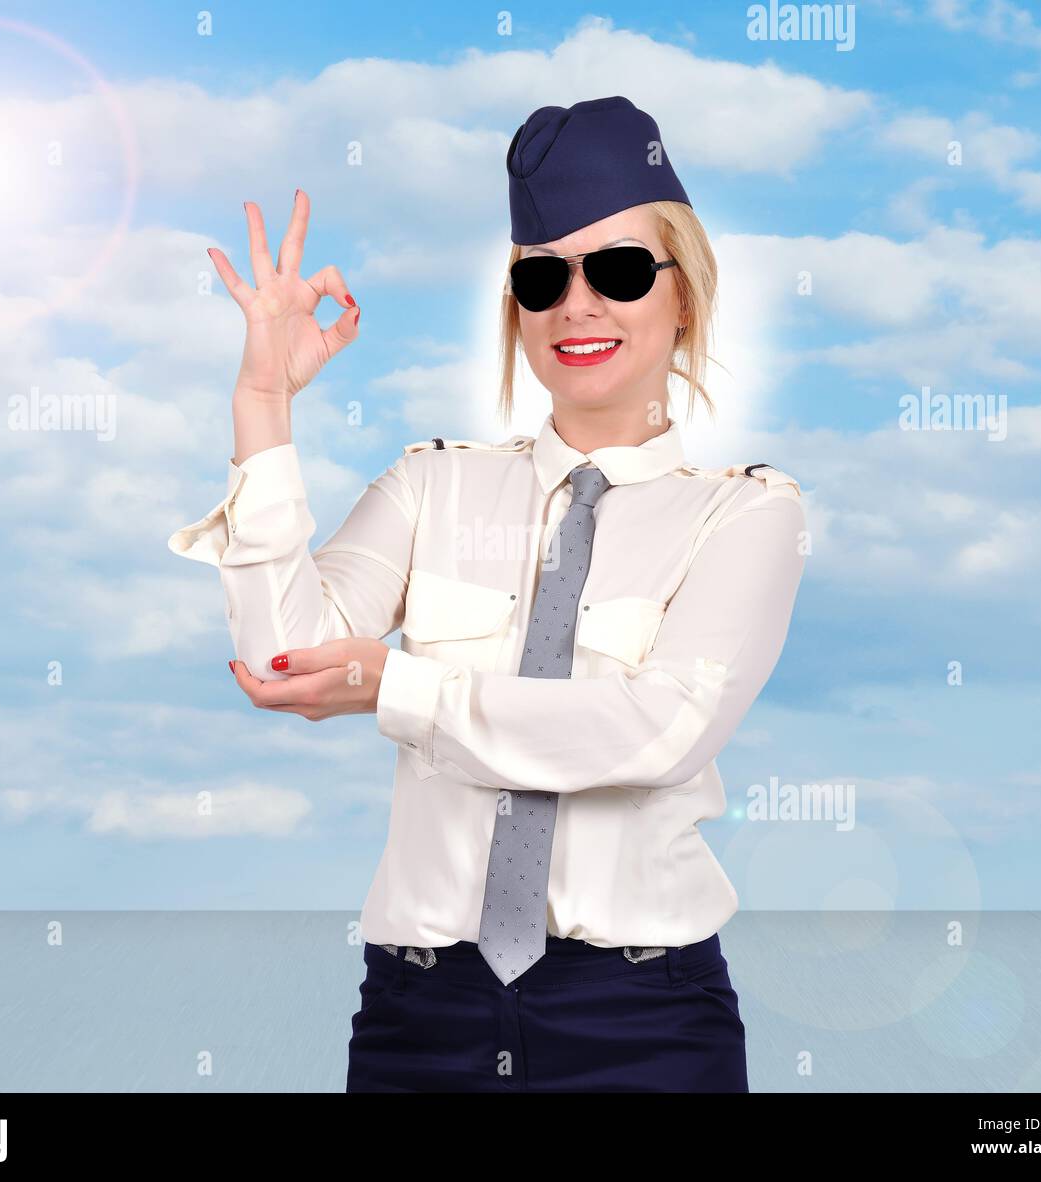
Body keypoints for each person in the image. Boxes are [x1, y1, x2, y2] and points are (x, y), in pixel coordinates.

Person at [169, 95, 807, 1093]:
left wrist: (402, 690)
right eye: (542, 277)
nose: (577, 305)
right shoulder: (431, 485)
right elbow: (278, 657)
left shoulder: (745, 516)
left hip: (644, 1024)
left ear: (684, 296)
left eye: (621, 270)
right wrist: (263, 405)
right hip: (422, 1021)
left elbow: (656, 731)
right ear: (515, 305)